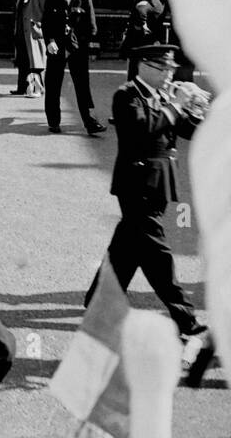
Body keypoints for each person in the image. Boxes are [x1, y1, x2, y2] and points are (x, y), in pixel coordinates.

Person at [84, 45, 207, 348]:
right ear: (145, 66)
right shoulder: (126, 95)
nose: (170, 75)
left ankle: (97, 305)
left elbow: (187, 131)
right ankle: (187, 322)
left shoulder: (166, 96)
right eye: (164, 69)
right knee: (158, 256)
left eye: (171, 70)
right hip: (135, 183)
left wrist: (198, 112)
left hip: (159, 182)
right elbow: (143, 129)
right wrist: (176, 104)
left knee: (125, 251)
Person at [43, 0, 105, 136]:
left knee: (82, 86)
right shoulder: (51, 0)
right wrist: (50, 41)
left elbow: (91, 29)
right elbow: (46, 25)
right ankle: (53, 121)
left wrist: (75, 44)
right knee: (53, 84)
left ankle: (90, 121)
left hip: (78, 50)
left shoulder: (84, 0)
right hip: (56, 49)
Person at [12, 0, 50, 96]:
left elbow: (48, 12)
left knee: (36, 61)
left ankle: (38, 88)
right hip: (22, 29)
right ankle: (22, 87)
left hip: (34, 30)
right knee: (23, 59)